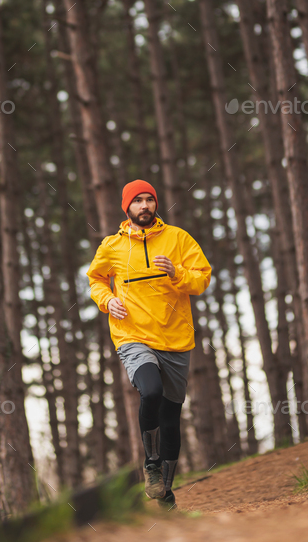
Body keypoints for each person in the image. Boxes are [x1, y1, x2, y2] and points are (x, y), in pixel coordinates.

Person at [87, 179, 211, 508]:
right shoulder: (111, 246)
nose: (144, 206)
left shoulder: (178, 238)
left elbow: (203, 277)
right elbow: (95, 279)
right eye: (137, 201)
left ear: (156, 205)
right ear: (126, 208)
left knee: (170, 417)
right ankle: (151, 464)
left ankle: (166, 491)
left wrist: (177, 273)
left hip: (175, 337)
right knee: (150, 391)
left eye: (149, 200)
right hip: (133, 335)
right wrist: (106, 300)